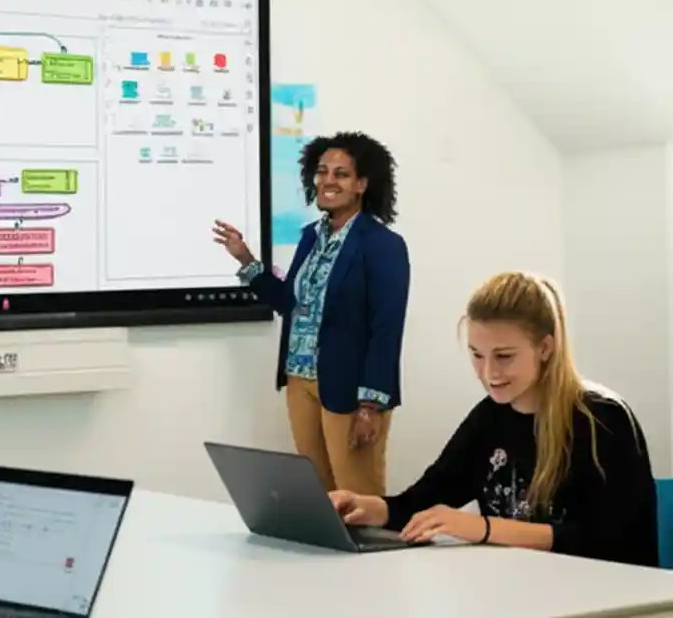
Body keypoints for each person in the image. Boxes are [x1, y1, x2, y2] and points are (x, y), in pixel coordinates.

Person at [330, 272, 659, 566]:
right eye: (476, 355)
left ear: (545, 348)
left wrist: (485, 528)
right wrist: (373, 508)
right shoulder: (488, 417)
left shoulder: (602, 418)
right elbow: (426, 499)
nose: (489, 373)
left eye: (504, 357)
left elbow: (610, 540)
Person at [212, 131, 409, 494]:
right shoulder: (310, 237)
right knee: (318, 493)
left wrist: (371, 404)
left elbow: (387, 328)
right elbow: (290, 303)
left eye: (341, 174)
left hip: (350, 389)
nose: (328, 181)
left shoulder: (383, 246)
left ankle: (368, 551)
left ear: (362, 184)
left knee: (357, 494)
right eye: (322, 172)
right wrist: (246, 259)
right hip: (299, 380)